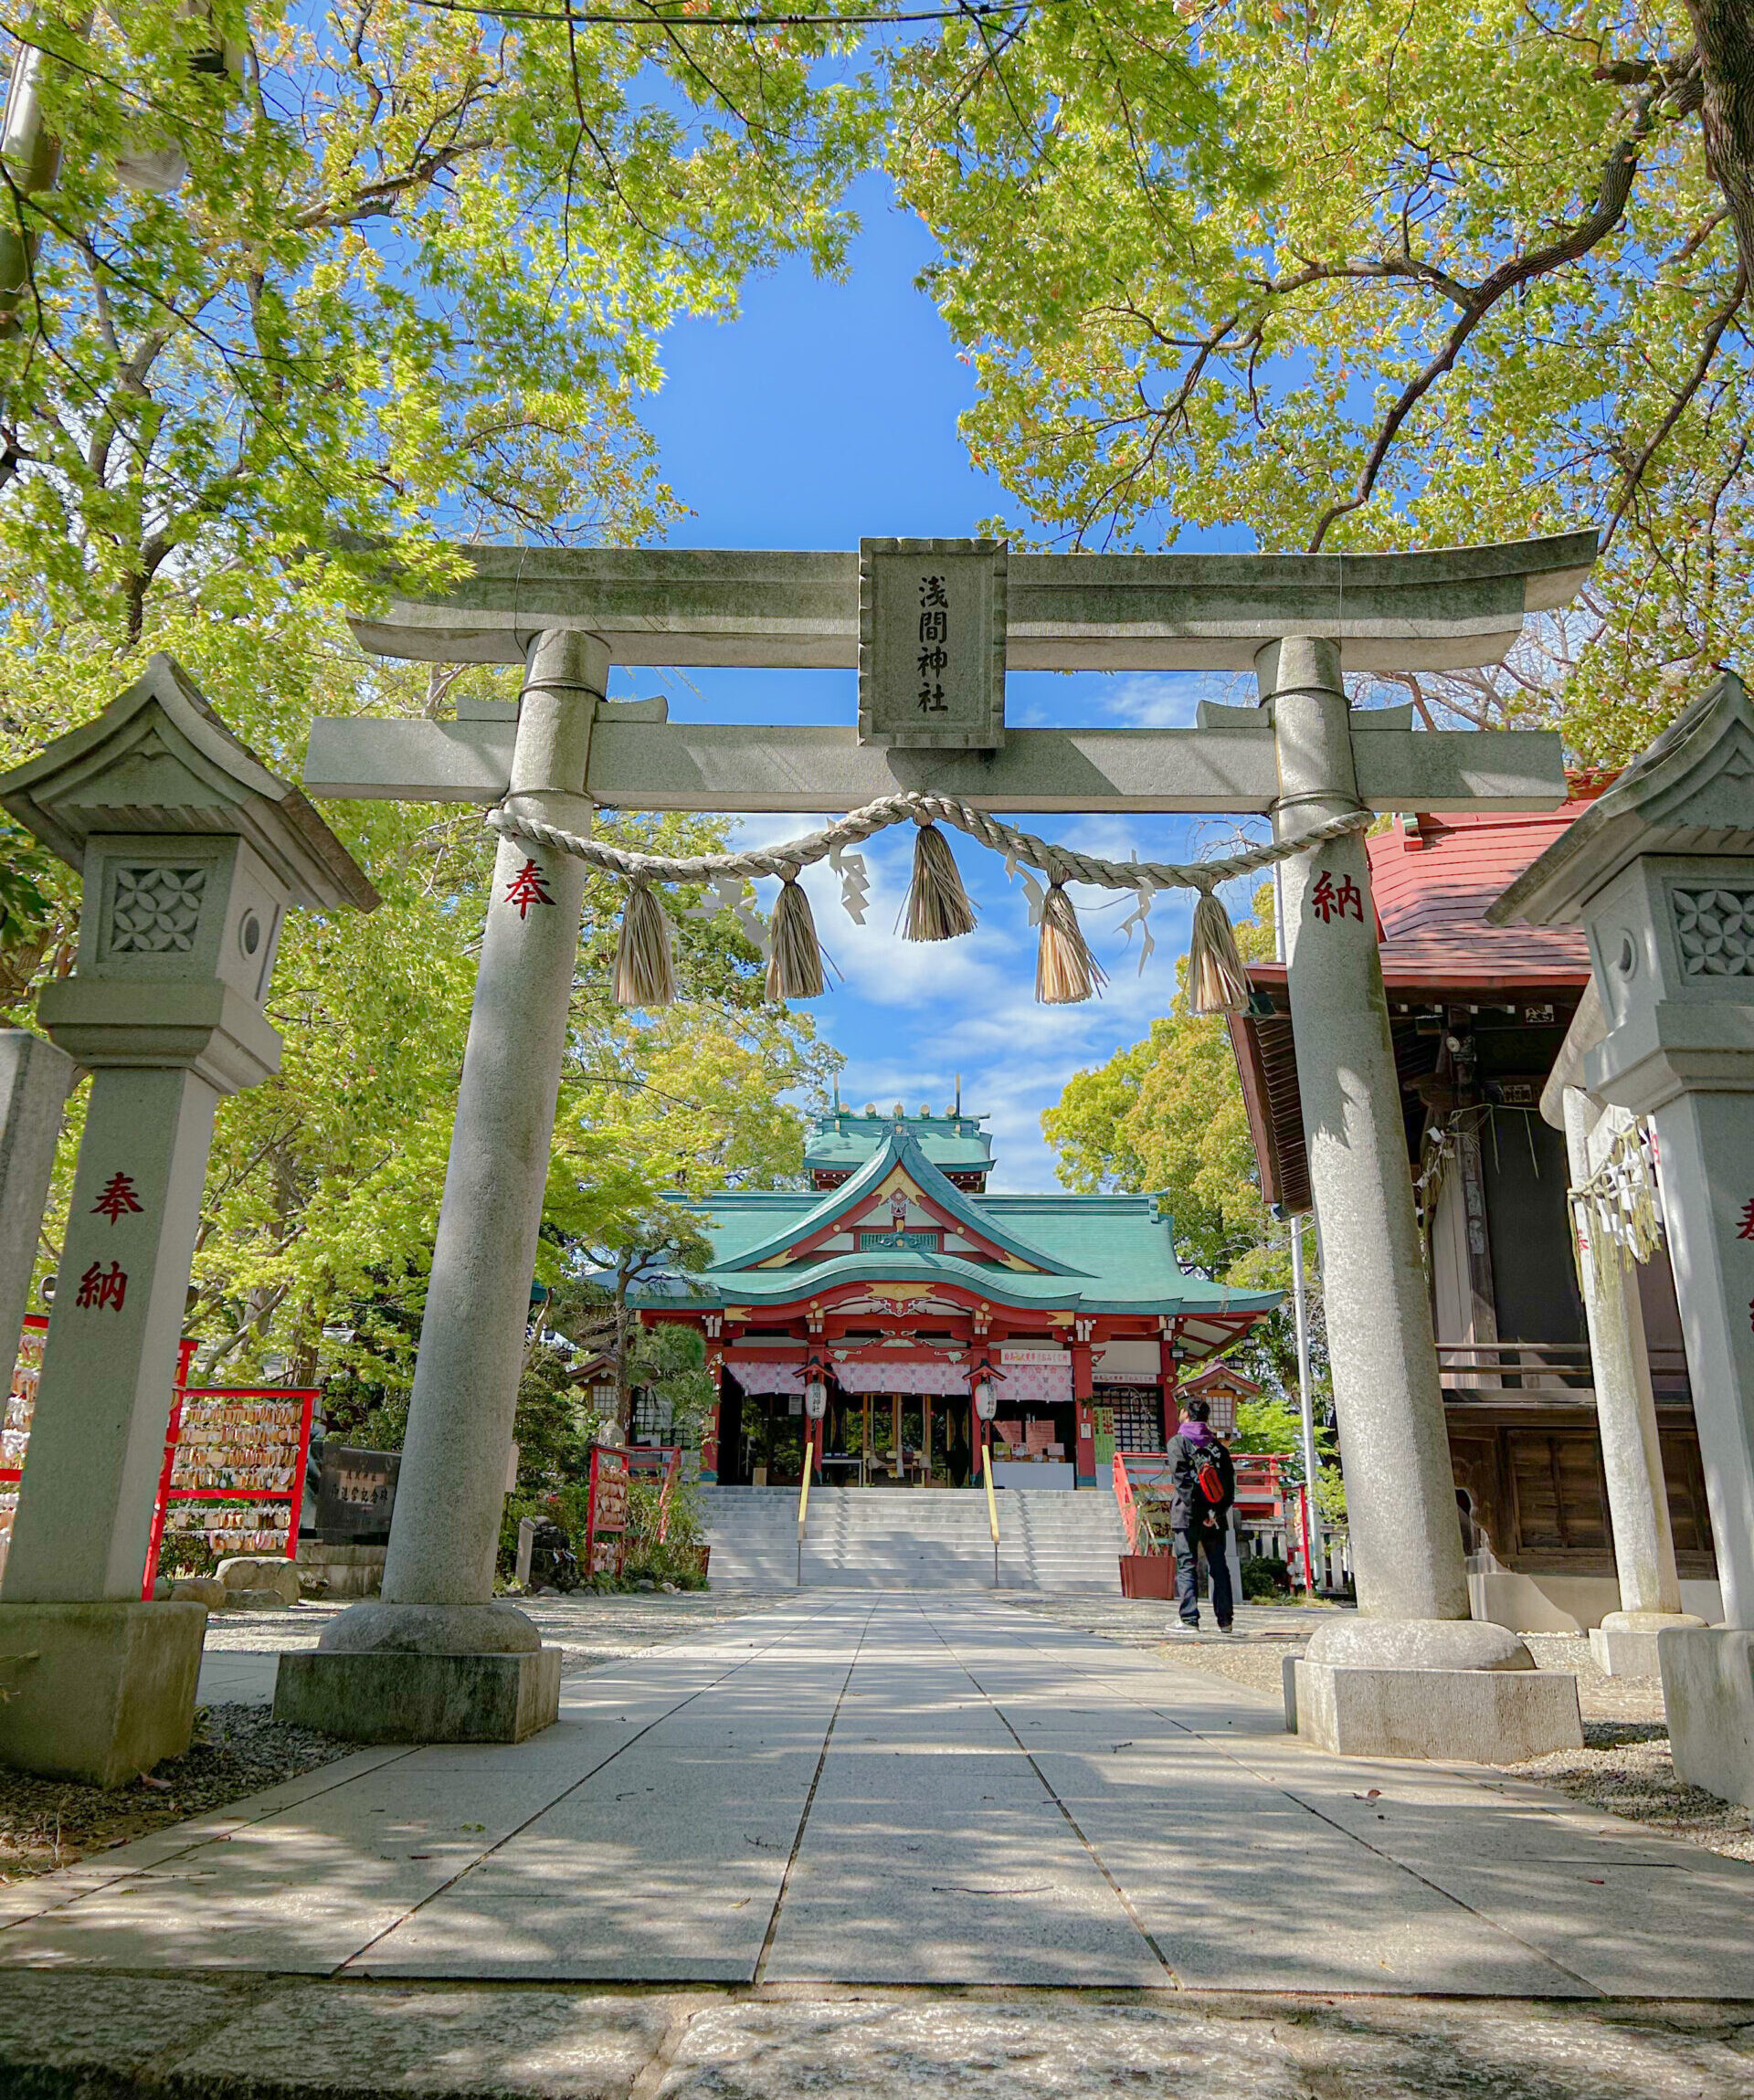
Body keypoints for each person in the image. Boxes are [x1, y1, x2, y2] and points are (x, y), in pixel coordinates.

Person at [1163, 1397, 1236, 1632]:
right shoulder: (1219, 1449)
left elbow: (1182, 1481)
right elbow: (1229, 1485)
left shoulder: (1178, 1443)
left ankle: (1189, 1619)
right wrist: (1215, 1512)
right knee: (1219, 1566)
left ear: (1186, 1414)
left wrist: (1198, 1510)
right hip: (1215, 1516)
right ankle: (1225, 1620)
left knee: (1187, 1564)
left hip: (1187, 1514)